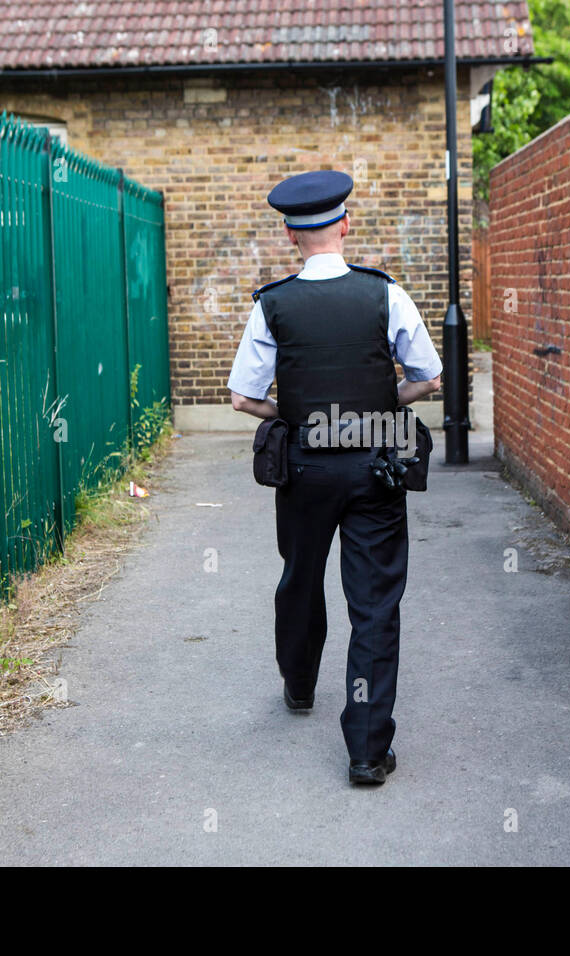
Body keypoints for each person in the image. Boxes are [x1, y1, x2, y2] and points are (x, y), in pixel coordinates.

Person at [227, 169, 442, 785]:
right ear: (345, 225)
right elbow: (428, 379)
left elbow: (242, 398)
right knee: (374, 603)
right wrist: (381, 404)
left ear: (291, 237)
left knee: (299, 577)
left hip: (304, 469)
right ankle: (367, 751)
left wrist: (291, 413)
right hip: (376, 465)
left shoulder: (272, 303)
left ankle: (299, 685)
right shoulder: (385, 294)